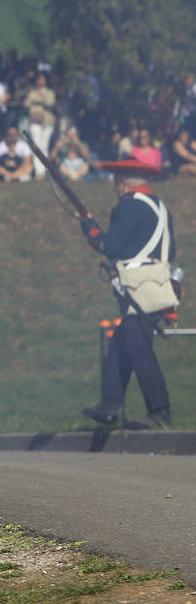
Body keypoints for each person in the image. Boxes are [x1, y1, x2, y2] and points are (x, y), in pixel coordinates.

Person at [80, 159, 177, 430]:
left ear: (123, 184)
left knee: (137, 347)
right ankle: (110, 405)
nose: (115, 188)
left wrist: (92, 231)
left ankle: (159, 411)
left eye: (116, 183)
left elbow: (112, 247)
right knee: (121, 343)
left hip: (137, 288)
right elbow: (170, 251)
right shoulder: (161, 208)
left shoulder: (127, 206)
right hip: (156, 285)